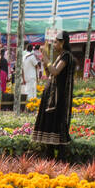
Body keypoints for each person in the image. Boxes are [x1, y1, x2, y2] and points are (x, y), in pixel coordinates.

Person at [31, 31, 75, 159]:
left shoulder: (66, 56)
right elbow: (50, 72)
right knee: (50, 121)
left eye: (56, 42)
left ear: (63, 43)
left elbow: (55, 72)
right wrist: (45, 62)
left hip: (58, 97)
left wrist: (45, 57)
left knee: (56, 122)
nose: (54, 44)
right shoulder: (60, 56)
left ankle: (60, 156)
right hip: (51, 95)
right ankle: (49, 154)